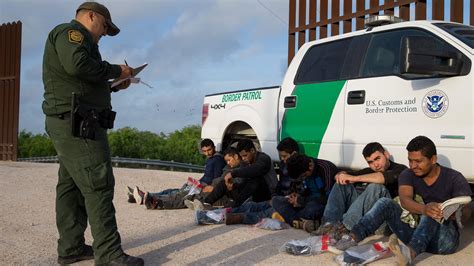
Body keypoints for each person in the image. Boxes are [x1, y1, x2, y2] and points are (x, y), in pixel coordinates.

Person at [42, 2, 143, 265]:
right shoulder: (71, 34)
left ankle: (71, 247)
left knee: (72, 186)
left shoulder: (86, 45)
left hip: (71, 121)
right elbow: (77, 66)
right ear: (91, 16)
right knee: (98, 184)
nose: (104, 34)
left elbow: (82, 80)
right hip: (77, 124)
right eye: (104, 27)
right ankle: (109, 254)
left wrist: (115, 86)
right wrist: (116, 70)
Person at [333, 136, 473, 265]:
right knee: (385, 203)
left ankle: (410, 254)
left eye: (418, 161)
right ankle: (352, 238)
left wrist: (458, 215)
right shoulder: (408, 174)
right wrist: (424, 209)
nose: (413, 166)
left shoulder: (454, 178)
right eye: (410, 160)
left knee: (431, 212)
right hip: (413, 234)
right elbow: (405, 199)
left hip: (444, 241)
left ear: (433, 159)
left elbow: (467, 208)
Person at [313, 142, 407, 238]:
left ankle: (345, 228)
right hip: (368, 218)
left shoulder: (401, 169)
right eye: (370, 162)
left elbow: (382, 178)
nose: (375, 165)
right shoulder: (371, 170)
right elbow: (349, 174)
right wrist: (341, 175)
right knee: (342, 184)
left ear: (386, 154)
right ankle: (328, 225)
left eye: (377, 159)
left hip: (386, 222)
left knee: (376, 187)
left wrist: (354, 178)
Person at [127, 138, 226, 209]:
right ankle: (144, 196)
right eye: (205, 151)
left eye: (209, 150)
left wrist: (207, 187)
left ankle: (151, 199)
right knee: (172, 191)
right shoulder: (211, 159)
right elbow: (208, 175)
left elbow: (216, 178)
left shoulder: (217, 159)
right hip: (199, 184)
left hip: (203, 187)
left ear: (214, 147)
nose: (207, 153)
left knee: (179, 195)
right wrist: (196, 182)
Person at [200, 138, 277, 208]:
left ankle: (235, 206)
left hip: (267, 194)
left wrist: (233, 174)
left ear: (253, 151)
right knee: (224, 183)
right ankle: (206, 203)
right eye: (242, 156)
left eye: (245, 155)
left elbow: (254, 170)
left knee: (255, 179)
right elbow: (242, 180)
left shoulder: (264, 158)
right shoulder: (246, 161)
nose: (243, 158)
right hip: (249, 194)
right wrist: (231, 184)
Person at [271, 154, 338, 231]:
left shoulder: (326, 168)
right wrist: (295, 197)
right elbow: (303, 191)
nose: (304, 178)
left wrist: (302, 201)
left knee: (312, 210)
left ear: (310, 166)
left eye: (304, 176)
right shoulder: (301, 172)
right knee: (276, 200)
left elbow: (330, 199)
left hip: (319, 204)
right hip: (304, 203)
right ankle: (299, 222)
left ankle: (291, 218)